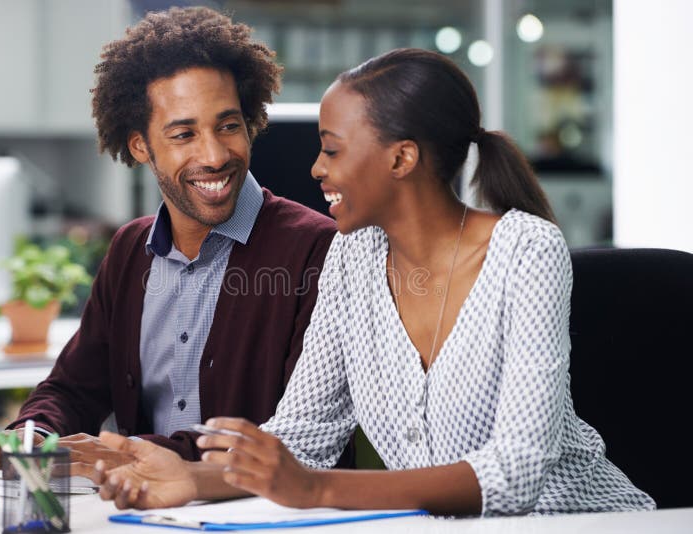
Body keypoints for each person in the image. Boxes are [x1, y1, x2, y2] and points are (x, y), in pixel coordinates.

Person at [91, 48, 656, 516]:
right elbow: (303, 435)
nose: (316, 168)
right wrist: (193, 478)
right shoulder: (352, 257)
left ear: (401, 158)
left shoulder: (526, 249)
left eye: (332, 149)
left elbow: (515, 474)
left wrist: (317, 490)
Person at [0, 6, 340, 478]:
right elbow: (74, 388)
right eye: (184, 133)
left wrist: (125, 453)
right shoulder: (130, 250)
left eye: (228, 125)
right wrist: (32, 435)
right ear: (140, 145)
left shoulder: (317, 251)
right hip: (142, 511)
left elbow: (292, 432)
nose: (214, 154)